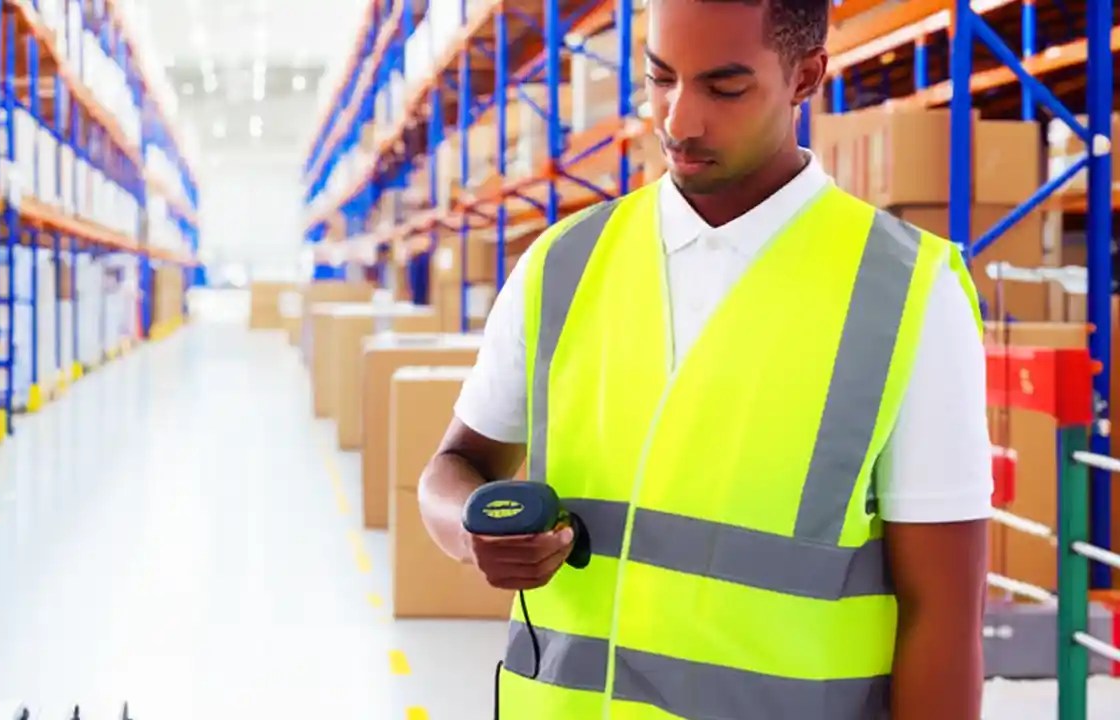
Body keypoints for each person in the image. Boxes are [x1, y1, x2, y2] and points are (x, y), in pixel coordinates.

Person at [417, 0, 991, 718]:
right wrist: (472, 533)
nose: (679, 121)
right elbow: (451, 468)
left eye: (725, 88)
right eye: (661, 77)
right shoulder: (561, 266)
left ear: (805, 76)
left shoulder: (909, 295)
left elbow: (943, 612)